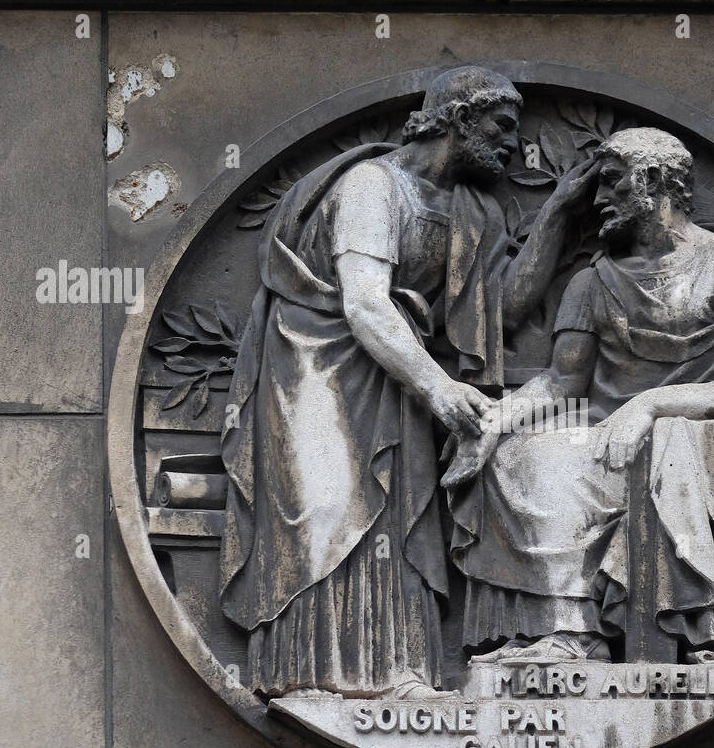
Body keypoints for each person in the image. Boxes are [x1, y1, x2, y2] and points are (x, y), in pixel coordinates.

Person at [219, 66, 595, 699]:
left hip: (400, 374)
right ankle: (309, 678)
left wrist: (555, 215)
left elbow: (498, 312)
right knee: (330, 510)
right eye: (501, 126)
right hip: (319, 365)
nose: (511, 143)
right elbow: (364, 303)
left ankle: (400, 677)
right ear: (457, 118)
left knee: (399, 523)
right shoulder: (373, 185)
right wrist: (440, 389)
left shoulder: (473, 208)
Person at [444, 127, 714, 664]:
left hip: (706, 443)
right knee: (516, 455)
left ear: (655, 181)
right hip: (609, 439)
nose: (598, 200)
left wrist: (651, 405)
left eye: (612, 183)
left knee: (666, 445)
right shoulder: (593, 283)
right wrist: (496, 420)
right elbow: (563, 382)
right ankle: (571, 631)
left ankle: (680, 628)